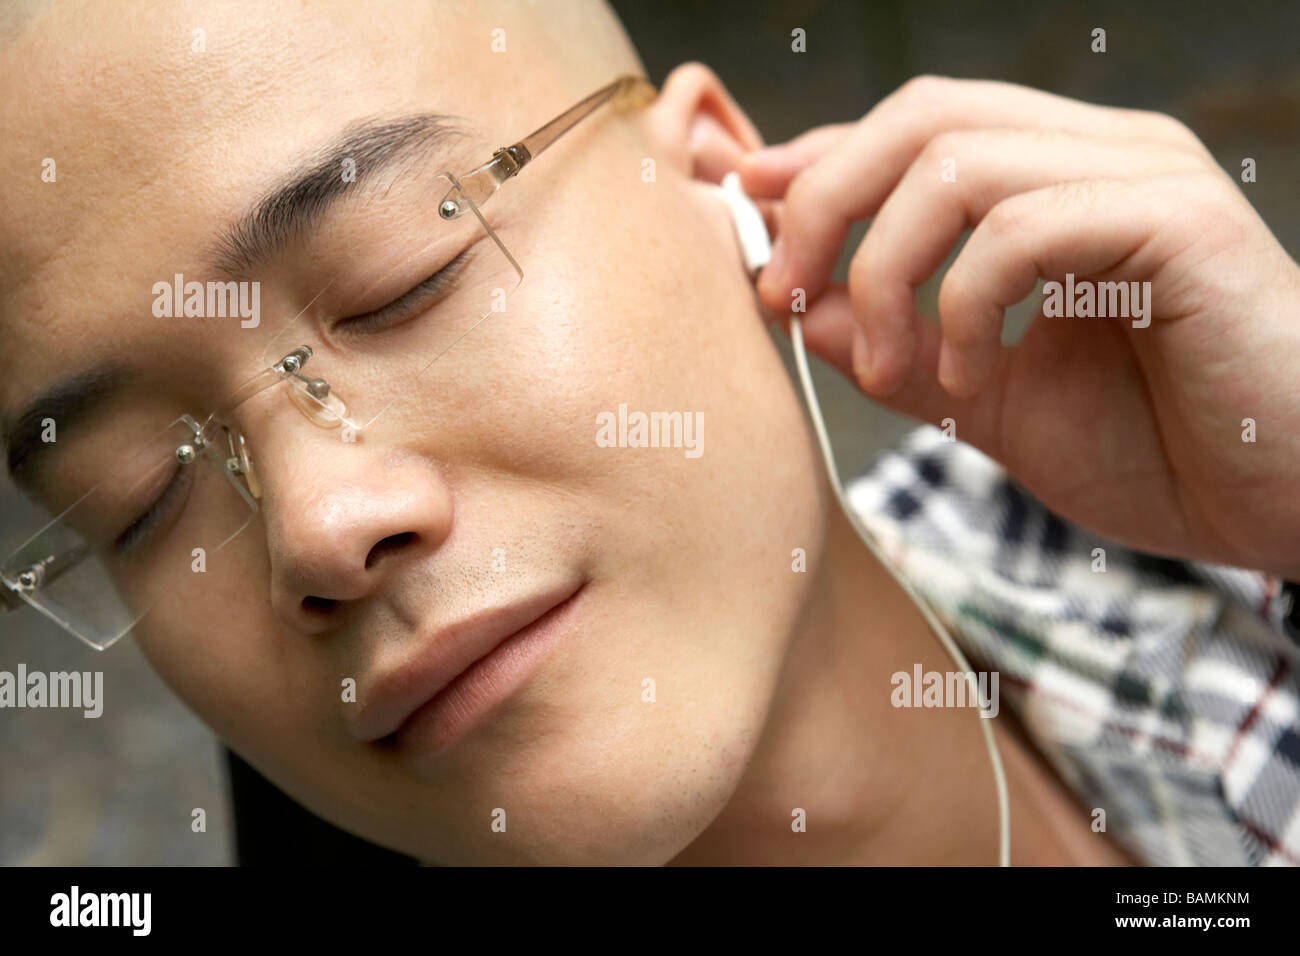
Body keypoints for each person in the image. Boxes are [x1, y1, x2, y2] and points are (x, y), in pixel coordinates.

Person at [1, 0, 1296, 866]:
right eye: (141, 498)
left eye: (402, 281)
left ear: (722, 188)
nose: (320, 527)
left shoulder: (1158, 533)